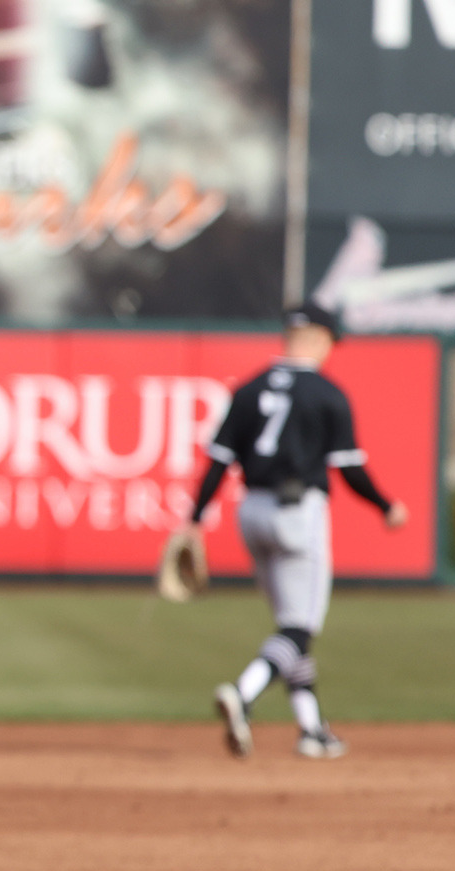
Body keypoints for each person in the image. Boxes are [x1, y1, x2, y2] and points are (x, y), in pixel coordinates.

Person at [178, 303, 405, 760]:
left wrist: (195, 518)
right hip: (299, 514)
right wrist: (386, 506)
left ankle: (311, 729)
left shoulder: (248, 389)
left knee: (291, 629)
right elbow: (350, 470)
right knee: (300, 627)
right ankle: (243, 693)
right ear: (320, 338)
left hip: (252, 511)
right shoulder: (327, 393)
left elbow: (218, 463)